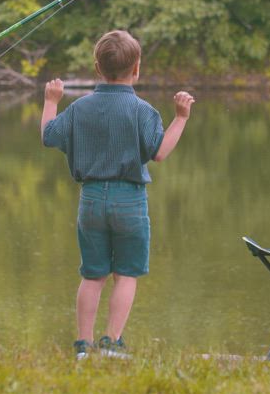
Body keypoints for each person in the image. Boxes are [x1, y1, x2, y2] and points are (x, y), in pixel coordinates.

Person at [41, 29, 195, 359]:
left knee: (92, 275)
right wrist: (181, 118)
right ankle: (111, 343)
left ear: (97, 68)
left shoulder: (79, 108)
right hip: (130, 201)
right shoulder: (143, 111)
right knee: (125, 274)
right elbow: (160, 153)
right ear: (137, 68)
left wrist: (51, 101)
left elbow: (49, 136)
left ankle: (83, 345)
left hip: (92, 199)